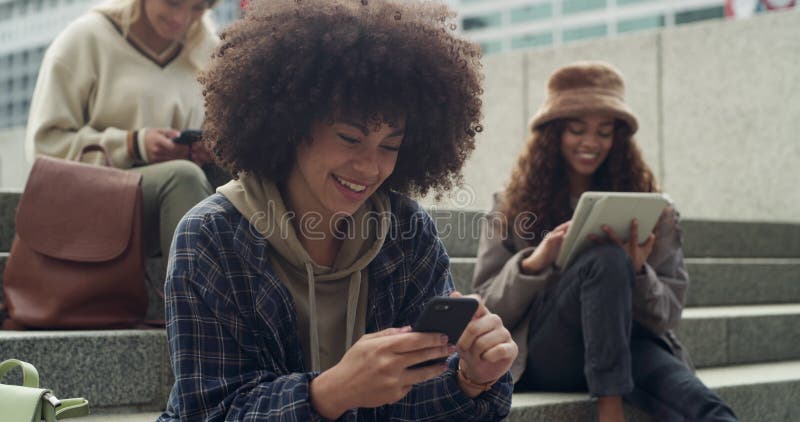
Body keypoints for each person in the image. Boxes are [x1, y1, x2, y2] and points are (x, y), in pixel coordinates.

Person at [157, 1, 517, 420]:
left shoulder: (405, 232)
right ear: (293, 125)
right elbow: (210, 412)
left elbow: (412, 403)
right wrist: (330, 393)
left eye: (390, 146)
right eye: (349, 138)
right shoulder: (212, 237)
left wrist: (471, 380)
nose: (369, 167)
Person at [472, 61, 737, 421]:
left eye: (604, 132)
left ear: (618, 139)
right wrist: (536, 262)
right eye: (577, 130)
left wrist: (639, 270)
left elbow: (666, 317)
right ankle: (610, 409)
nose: (591, 143)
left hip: (628, 346)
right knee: (605, 258)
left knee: (706, 407)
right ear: (553, 134)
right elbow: (487, 310)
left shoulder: (651, 209)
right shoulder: (511, 206)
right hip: (550, 350)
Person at [25, 0, 224, 265]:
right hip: (91, 197)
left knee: (236, 176)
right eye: (172, 3)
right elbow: (45, 145)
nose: (182, 18)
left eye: (198, 8)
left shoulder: (206, 50)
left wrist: (205, 148)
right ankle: (196, 305)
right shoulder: (85, 39)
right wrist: (132, 145)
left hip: (169, 202)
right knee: (182, 177)